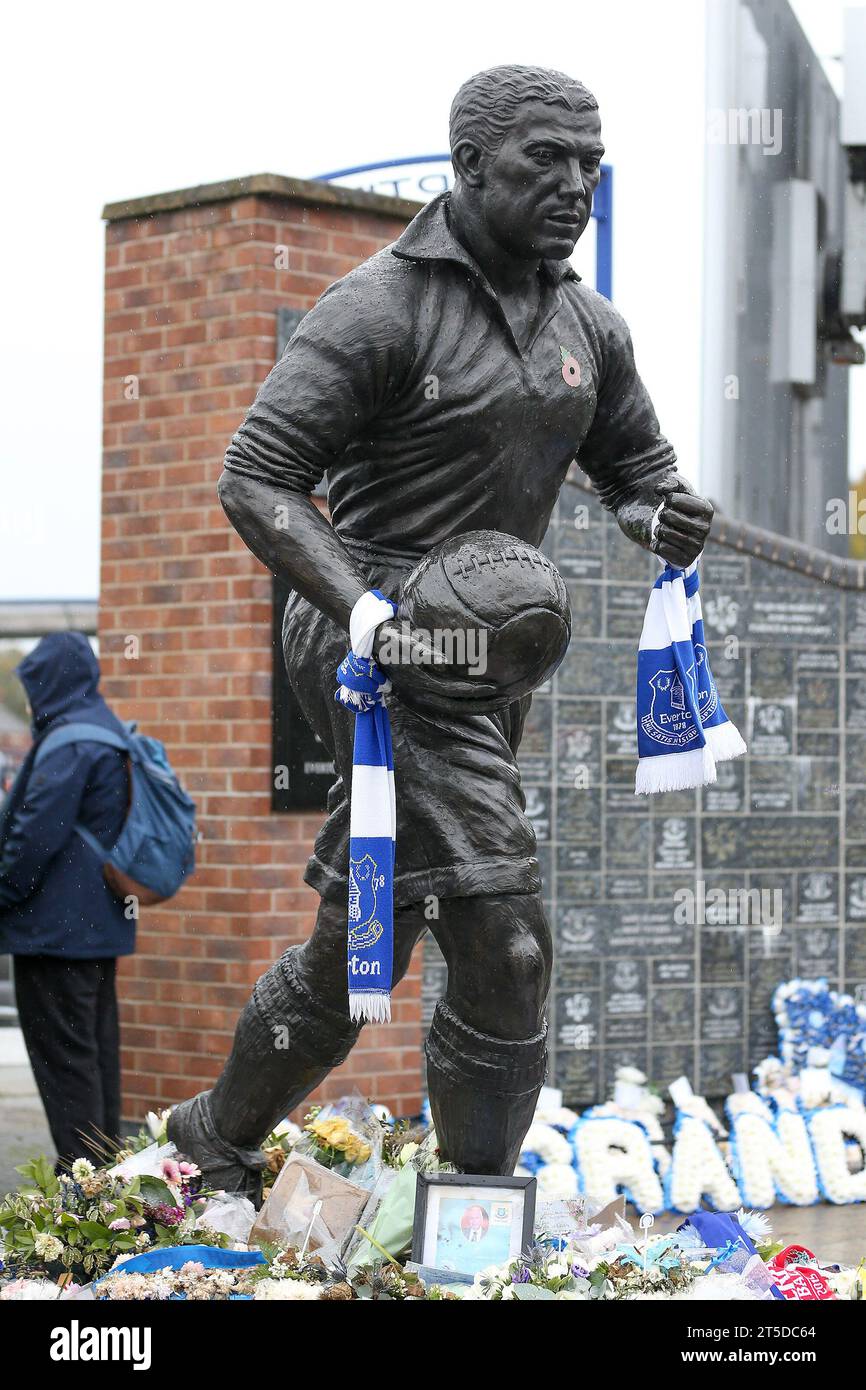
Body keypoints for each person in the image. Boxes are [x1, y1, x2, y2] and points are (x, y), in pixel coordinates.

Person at [169, 64, 713, 1193]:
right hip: (376, 642)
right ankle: (474, 1223)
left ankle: (214, 1133)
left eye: (588, 165)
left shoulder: (587, 326)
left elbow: (634, 471)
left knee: (364, 933)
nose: (574, 186)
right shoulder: (380, 306)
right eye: (543, 162)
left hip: (490, 661)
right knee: (505, 941)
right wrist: (367, 615)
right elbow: (257, 477)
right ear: (467, 167)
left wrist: (659, 513)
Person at [0, 632, 132, 1165]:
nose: (32, 700)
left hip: (55, 935)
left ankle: (86, 1197)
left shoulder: (70, 743)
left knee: (67, 1066)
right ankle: (107, 1187)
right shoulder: (106, 730)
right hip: (95, 929)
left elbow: (34, 837)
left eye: (35, 685)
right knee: (96, 1059)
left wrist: (3, 892)